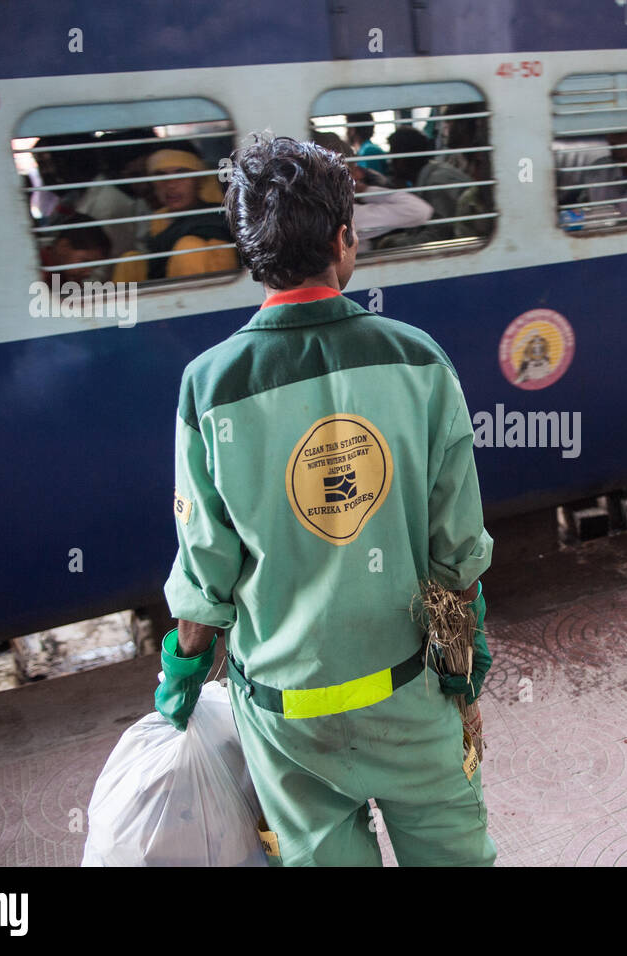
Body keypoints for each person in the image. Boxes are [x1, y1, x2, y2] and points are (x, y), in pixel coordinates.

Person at [155, 135, 496, 867]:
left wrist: (180, 677)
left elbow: (205, 579)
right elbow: (458, 550)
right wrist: (466, 655)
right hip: (407, 692)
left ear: (251, 253)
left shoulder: (208, 386)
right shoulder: (418, 358)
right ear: (345, 239)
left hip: (285, 717)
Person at [112, 145, 238, 282]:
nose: (171, 185)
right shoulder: (159, 219)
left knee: (189, 247)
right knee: (130, 261)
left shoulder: (216, 219)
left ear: (198, 181)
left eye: (181, 174)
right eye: (160, 175)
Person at [311, 132, 434, 249]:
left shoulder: (320, 215)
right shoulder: (348, 217)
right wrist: (363, 190)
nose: (359, 174)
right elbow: (419, 210)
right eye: (349, 170)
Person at [378, 127, 474, 246]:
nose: (391, 164)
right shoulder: (427, 178)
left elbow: (440, 236)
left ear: (402, 159)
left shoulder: (437, 184)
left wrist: (394, 244)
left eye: (393, 157)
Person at [37, 214, 111, 285]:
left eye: (94, 267)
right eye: (85, 262)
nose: (88, 273)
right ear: (63, 247)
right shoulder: (35, 270)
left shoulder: (68, 279)